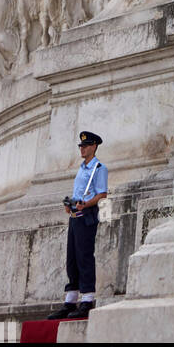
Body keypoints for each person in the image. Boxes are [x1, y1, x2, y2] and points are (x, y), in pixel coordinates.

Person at [46, 130, 108, 320]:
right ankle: (71, 299)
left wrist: (85, 204)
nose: (82, 149)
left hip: (87, 214)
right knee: (72, 256)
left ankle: (87, 299)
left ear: (94, 147)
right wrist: (71, 205)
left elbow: (102, 194)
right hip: (75, 215)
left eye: (86, 145)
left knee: (84, 255)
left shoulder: (99, 168)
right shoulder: (82, 169)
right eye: (81, 146)